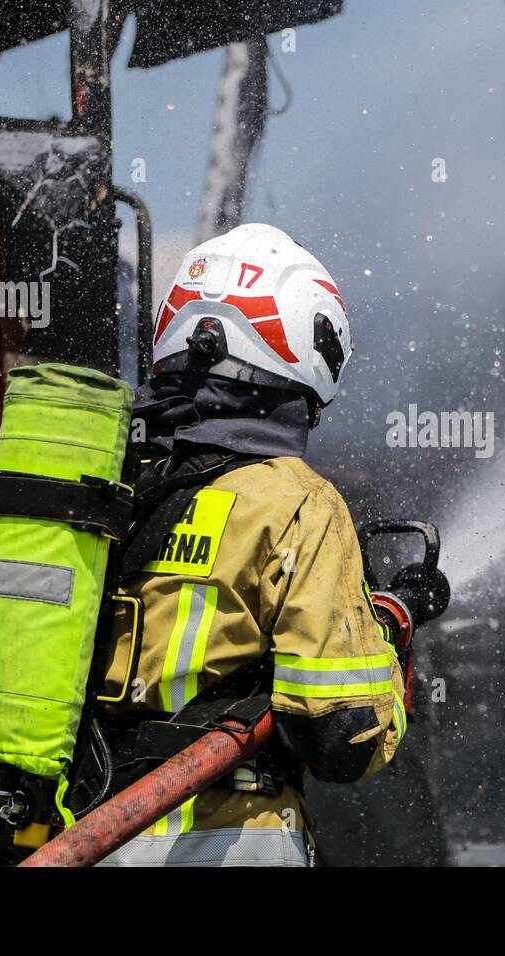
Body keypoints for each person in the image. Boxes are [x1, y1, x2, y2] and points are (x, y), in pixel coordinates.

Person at [92, 223, 407, 866]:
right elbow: (342, 734)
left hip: (95, 834)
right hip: (228, 842)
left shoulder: (114, 488)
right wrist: (389, 648)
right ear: (304, 347)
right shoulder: (299, 503)